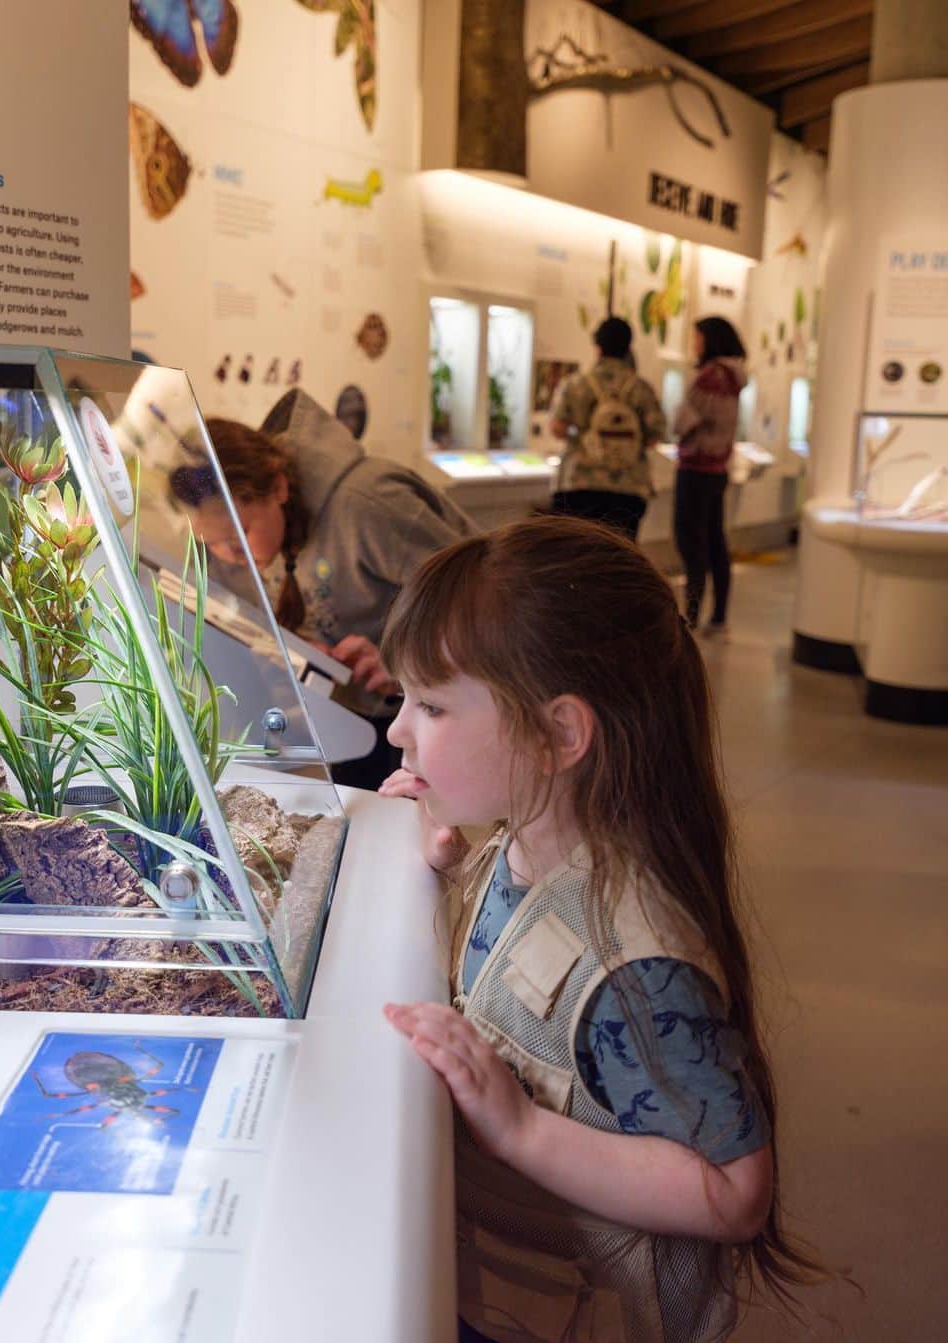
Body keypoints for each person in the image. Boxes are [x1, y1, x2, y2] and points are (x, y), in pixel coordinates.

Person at [377, 518, 822, 1343]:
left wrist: (520, 1127)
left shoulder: (639, 963)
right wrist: (446, 873)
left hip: (571, 1311)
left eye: (431, 704)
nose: (399, 729)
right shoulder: (519, 841)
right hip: (499, 1274)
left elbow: (735, 1189)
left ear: (558, 734)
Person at [169, 388, 474, 790]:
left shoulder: (367, 503)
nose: (231, 556)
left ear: (278, 488)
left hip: (442, 708)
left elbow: (477, 595)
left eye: (240, 533)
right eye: (213, 544)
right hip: (364, 718)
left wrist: (404, 665)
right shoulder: (262, 538)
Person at [548, 316, 666, 540]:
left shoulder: (575, 384)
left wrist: (584, 437)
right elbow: (654, 436)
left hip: (578, 484)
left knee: (575, 557)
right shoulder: (641, 388)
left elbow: (557, 428)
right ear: (628, 347)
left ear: (597, 347)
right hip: (629, 487)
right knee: (619, 560)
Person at [672, 316, 748, 638]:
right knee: (716, 542)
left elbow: (685, 419)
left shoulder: (709, 377)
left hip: (696, 467)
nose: (694, 343)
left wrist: (679, 422)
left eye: (697, 337)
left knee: (692, 544)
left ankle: (690, 616)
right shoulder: (734, 377)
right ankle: (718, 616)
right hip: (718, 468)